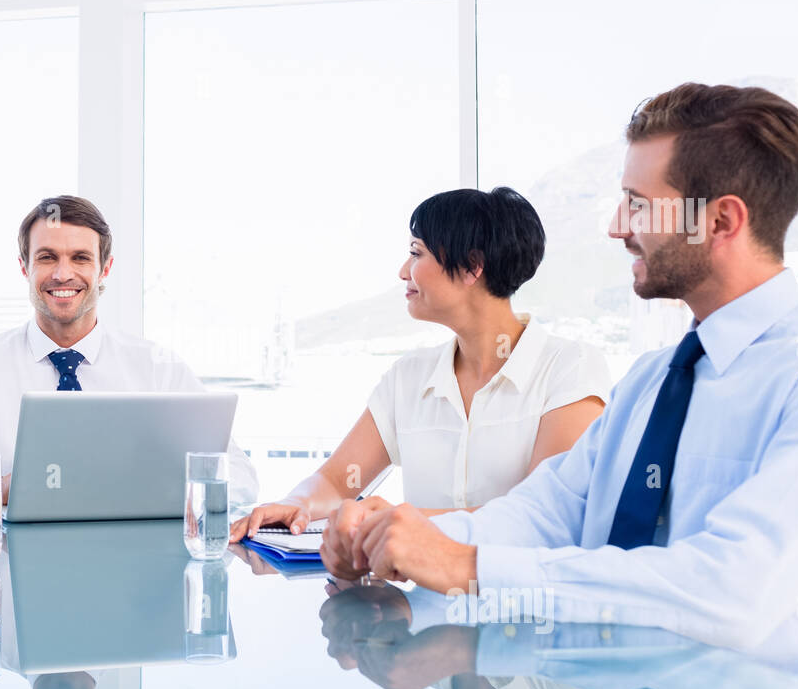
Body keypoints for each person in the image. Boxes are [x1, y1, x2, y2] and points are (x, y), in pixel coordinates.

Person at [324, 83, 798, 653]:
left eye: (639, 204)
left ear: (721, 221)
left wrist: (467, 566)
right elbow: (549, 512)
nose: (617, 228)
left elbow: (734, 591)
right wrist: (396, 538)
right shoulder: (653, 382)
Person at [231, 186, 609, 543]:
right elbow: (335, 483)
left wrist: (401, 523)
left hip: (526, 604)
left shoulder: (568, 369)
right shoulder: (409, 378)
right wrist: (298, 505)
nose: (402, 271)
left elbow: (545, 514)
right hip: (423, 606)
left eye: (417, 253)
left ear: (472, 267)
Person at [0, 195, 258, 509]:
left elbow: (240, 480)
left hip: (129, 581)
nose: (62, 274)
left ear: (105, 268)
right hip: (6, 580)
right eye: (47, 257)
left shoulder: (158, 371)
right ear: (24, 267)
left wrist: (141, 483)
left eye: (80, 258)